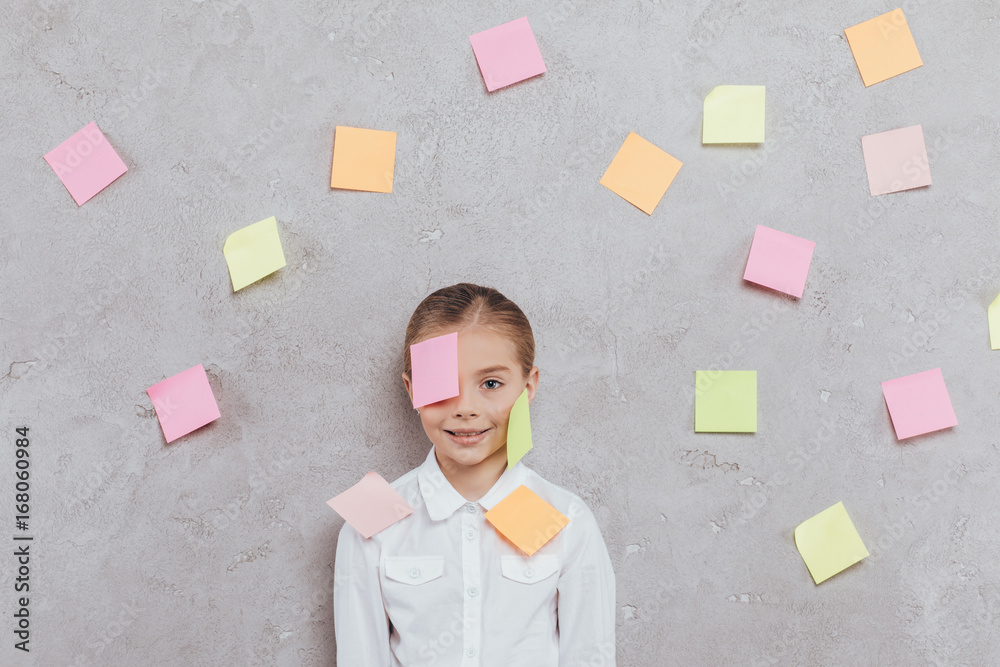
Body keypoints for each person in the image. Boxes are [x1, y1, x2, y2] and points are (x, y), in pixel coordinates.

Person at [334, 283, 616, 666]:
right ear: (412, 388)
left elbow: (589, 657)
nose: (465, 407)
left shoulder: (568, 519)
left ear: (528, 386)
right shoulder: (370, 519)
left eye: (491, 384)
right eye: (440, 385)